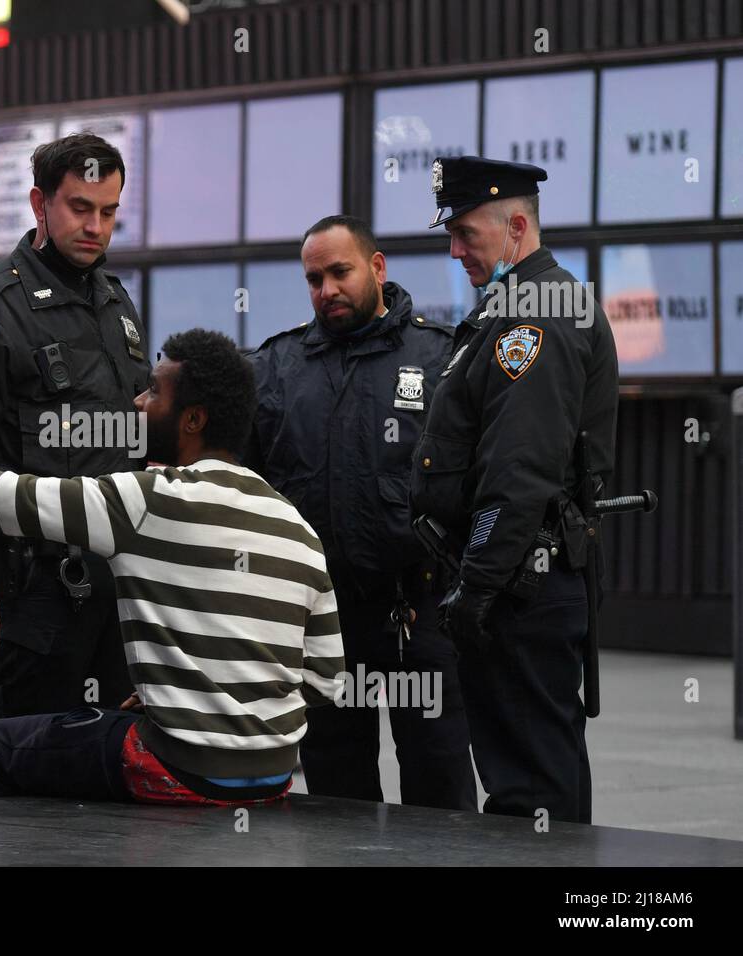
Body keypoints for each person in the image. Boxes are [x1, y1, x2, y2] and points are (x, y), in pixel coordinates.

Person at [0, 329, 343, 805]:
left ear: (193, 419)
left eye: (155, 391)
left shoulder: (148, 500)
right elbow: (325, 681)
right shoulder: (296, 527)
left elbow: (17, 498)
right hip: (274, 776)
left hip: (181, 767)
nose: (138, 402)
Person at [0, 132, 150, 719]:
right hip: (35, 588)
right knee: (29, 767)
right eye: (80, 208)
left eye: (109, 211)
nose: (96, 225)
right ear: (39, 203)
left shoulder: (117, 304)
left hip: (118, 590)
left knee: (119, 764)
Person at [412, 156, 619, 824]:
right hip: (515, 582)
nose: (455, 250)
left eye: (467, 232)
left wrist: (478, 585)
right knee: (518, 783)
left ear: (516, 225)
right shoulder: (512, 307)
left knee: (532, 793)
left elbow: (518, 470)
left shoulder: (536, 317)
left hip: (520, 589)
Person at [245, 215, 476, 811]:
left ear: (376, 268)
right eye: (314, 278)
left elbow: (476, 484)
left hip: (420, 614)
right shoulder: (277, 368)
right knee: (334, 791)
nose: (327, 290)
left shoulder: (441, 359)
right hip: (322, 620)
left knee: (439, 784)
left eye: (340, 272)